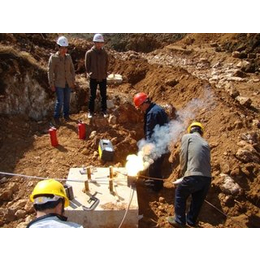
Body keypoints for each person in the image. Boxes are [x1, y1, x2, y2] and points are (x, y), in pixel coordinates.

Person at [168, 122, 211, 227]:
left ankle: (179, 220)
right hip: (207, 179)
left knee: (180, 194)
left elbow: (183, 154)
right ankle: (191, 221)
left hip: (192, 176)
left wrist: (183, 174)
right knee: (197, 200)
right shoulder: (205, 143)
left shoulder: (187, 137)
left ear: (190, 130)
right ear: (201, 132)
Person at [133, 92, 169, 192]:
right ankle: (155, 183)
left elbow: (150, 132)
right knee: (155, 165)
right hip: (163, 143)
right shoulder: (157, 108)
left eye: (140, 107)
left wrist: (147, 147)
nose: (141, 110)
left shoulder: (151, 114)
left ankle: (155, 188)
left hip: (157, 145)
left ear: (144, 104)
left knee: (154, 166)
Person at [48, 36, 75, 125]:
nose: (64, 50)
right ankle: (56, 117)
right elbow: (50, 71)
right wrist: (51, 83)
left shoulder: (68, 57)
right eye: (62, 48)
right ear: (58, 47)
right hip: (59, 83)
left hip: (68, 82)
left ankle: (66, 116)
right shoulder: (54, 58)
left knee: (67, 100)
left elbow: (72, 69)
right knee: (60, 101)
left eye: (65, 48)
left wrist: (73, 80)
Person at [85, 33, 109, 119]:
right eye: (97, 42)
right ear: (94, 43)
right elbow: (87, 65)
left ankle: (104, 110)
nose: (99, 44)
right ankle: (90, 111)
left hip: (102, 76)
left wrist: (105, 73)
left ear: (102, 43)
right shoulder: (89, 53)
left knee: (103, 94)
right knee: (92, 95)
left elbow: (106, 63)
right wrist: (89, 73)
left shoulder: (104, 53)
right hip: (93, 77)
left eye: (101, 42)